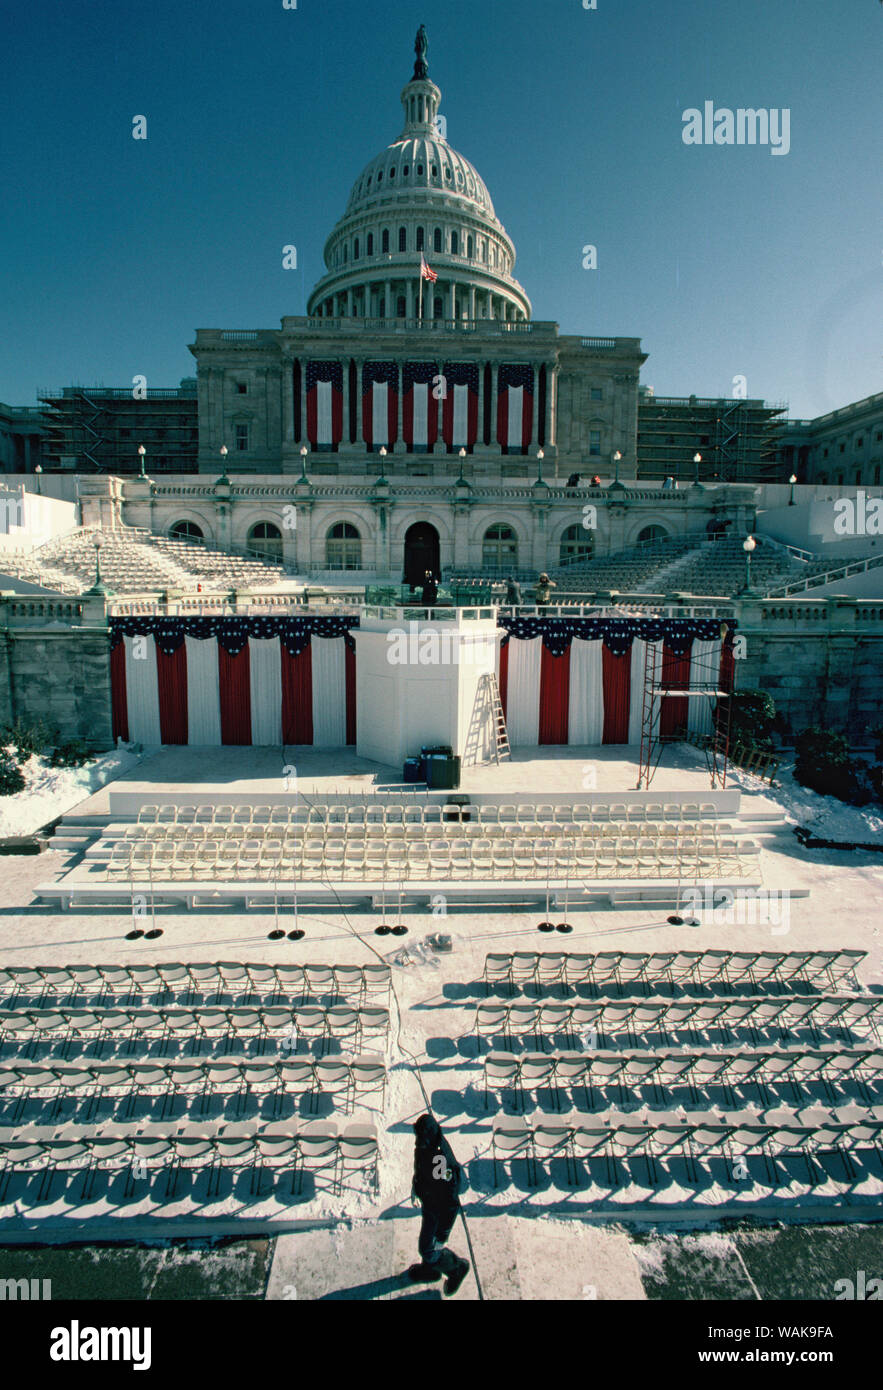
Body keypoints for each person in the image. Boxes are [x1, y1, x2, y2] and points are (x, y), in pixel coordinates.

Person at [408, 1113, 470, 1295]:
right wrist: (416, 1186)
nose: (417, 1141)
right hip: (430, 1201)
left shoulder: (438, 1159)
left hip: (438, 1208)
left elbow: (449, 1199)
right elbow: (422, 1168)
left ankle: (456, 1268)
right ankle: (430, 1270)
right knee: (427, 1243)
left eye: (420, 1137)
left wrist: (442, 1234)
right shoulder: (426, 1145)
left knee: (428, 1248)